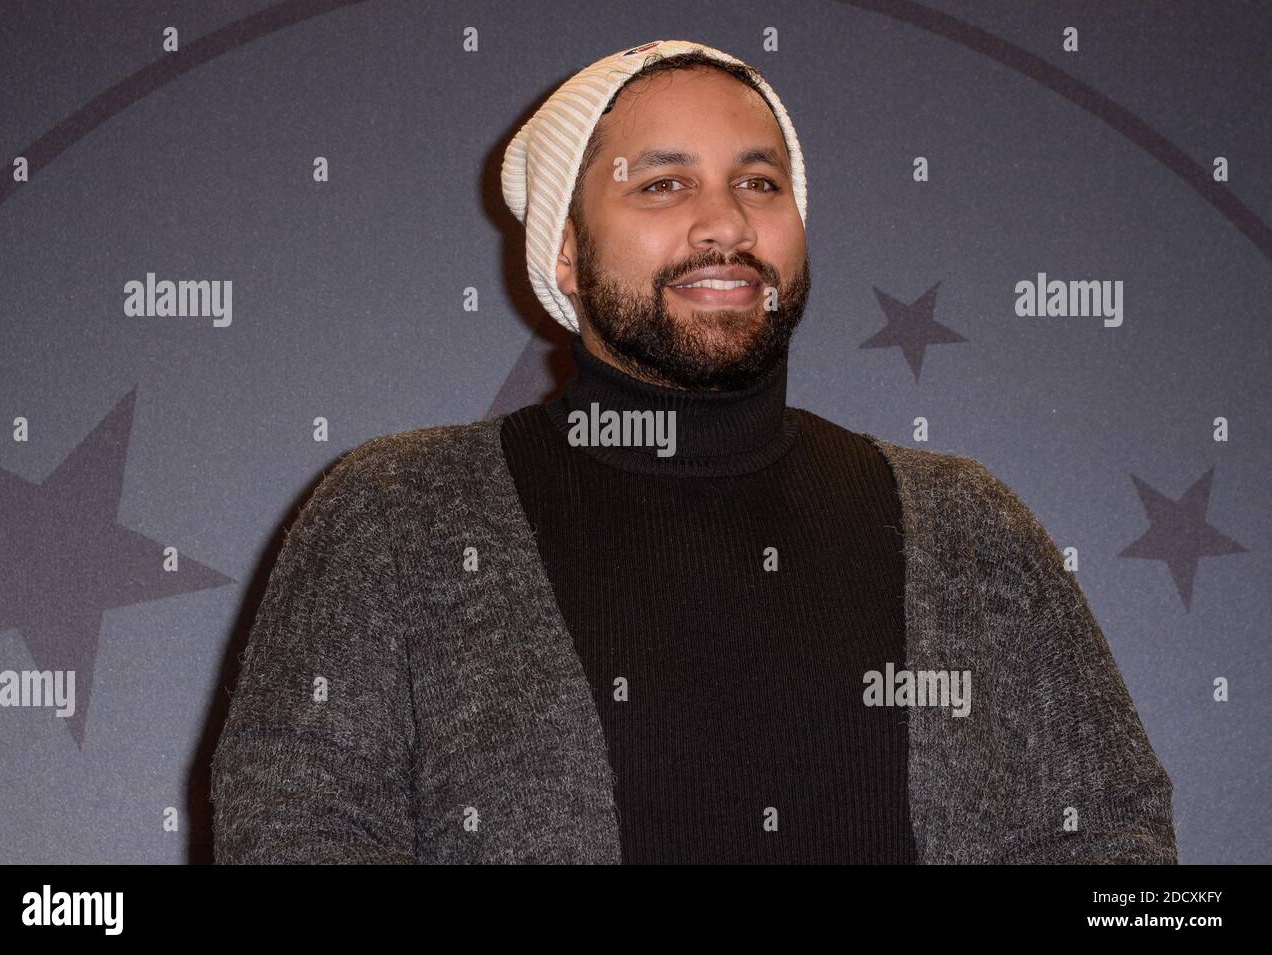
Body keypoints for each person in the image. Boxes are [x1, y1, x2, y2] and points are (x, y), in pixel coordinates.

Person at [210, 40, 1177, 864]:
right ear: (566, 254)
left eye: (759, 182)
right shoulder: (395, 514)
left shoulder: (969, 527)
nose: (725, 223)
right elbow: (300, 830)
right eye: (663, 184)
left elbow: (1117, 847)